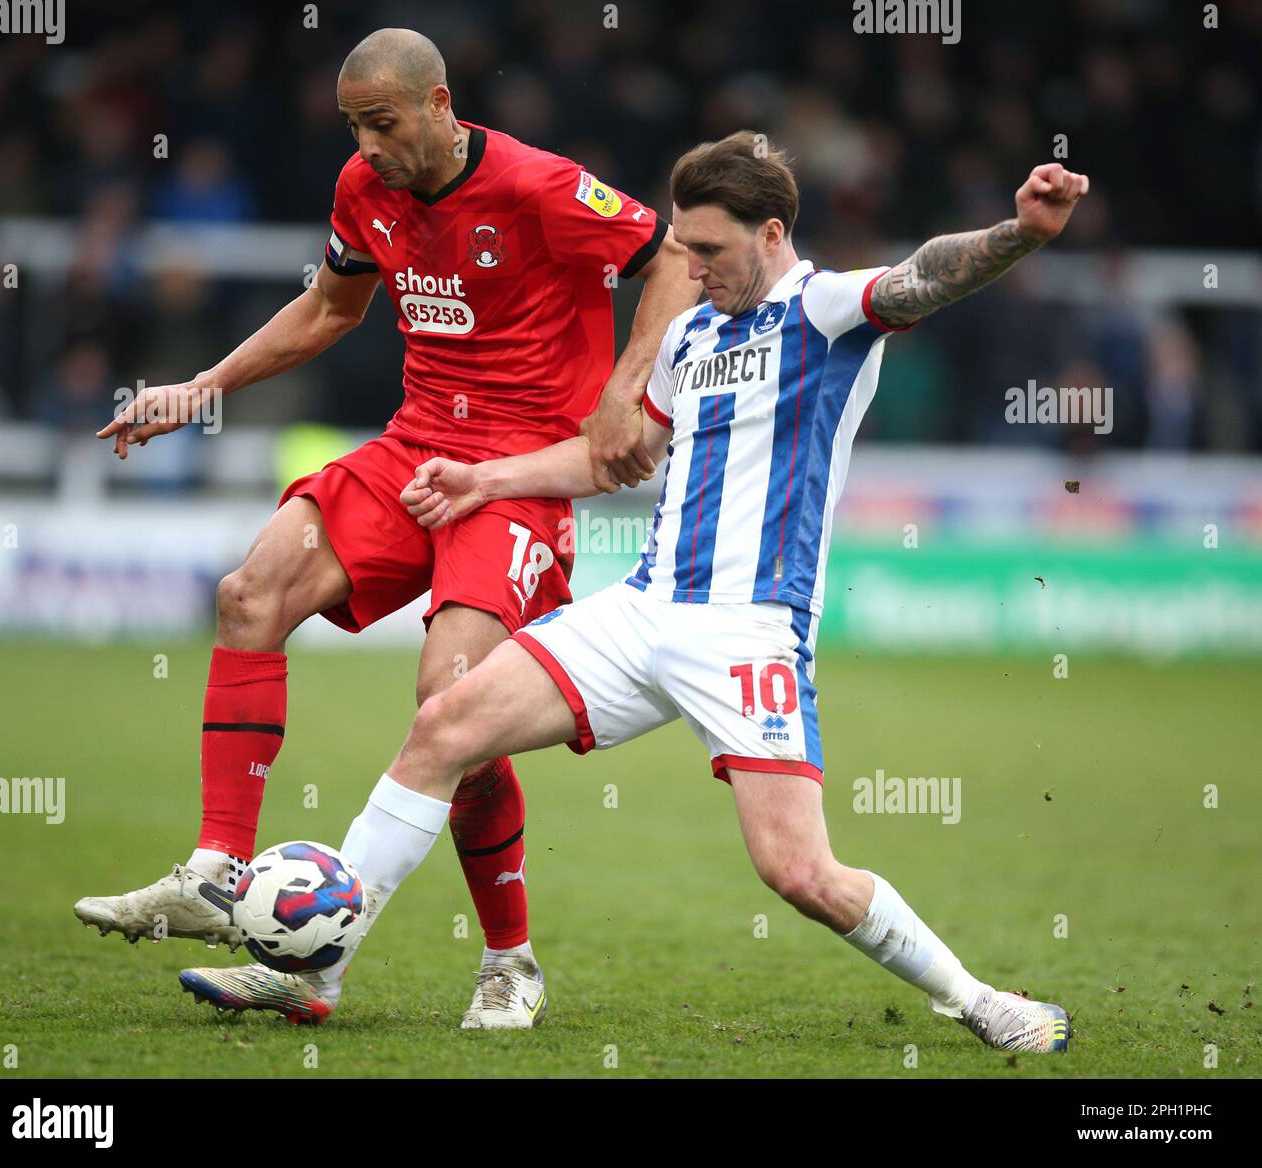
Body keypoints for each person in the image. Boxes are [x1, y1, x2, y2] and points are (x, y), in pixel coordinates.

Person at [180, 133, 1088, 1052]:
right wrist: (486, 481)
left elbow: (923, 276)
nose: (690, 269)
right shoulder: (690, 334)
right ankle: (313, 971)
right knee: (443, 724)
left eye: (711, 252)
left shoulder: (822, 309)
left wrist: (1019, 232)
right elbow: (615, 458)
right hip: (641, 610)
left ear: (772, 234)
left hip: (747, 634)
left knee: (798, 872)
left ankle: (977, 1000)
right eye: (685, 250)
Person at [73, 27, 699, 1030]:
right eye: (354, 125)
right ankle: (214, 871)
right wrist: (203, 386)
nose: (367, 144)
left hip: (515, 472)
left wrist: (627, 387)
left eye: (383, 121)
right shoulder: (362, 191)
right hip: (413, 450)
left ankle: (508, 959)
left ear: (442, 105)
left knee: (452, 708)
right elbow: (328, 309)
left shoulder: (538, 186)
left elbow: (668, 257)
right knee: (249, 595)